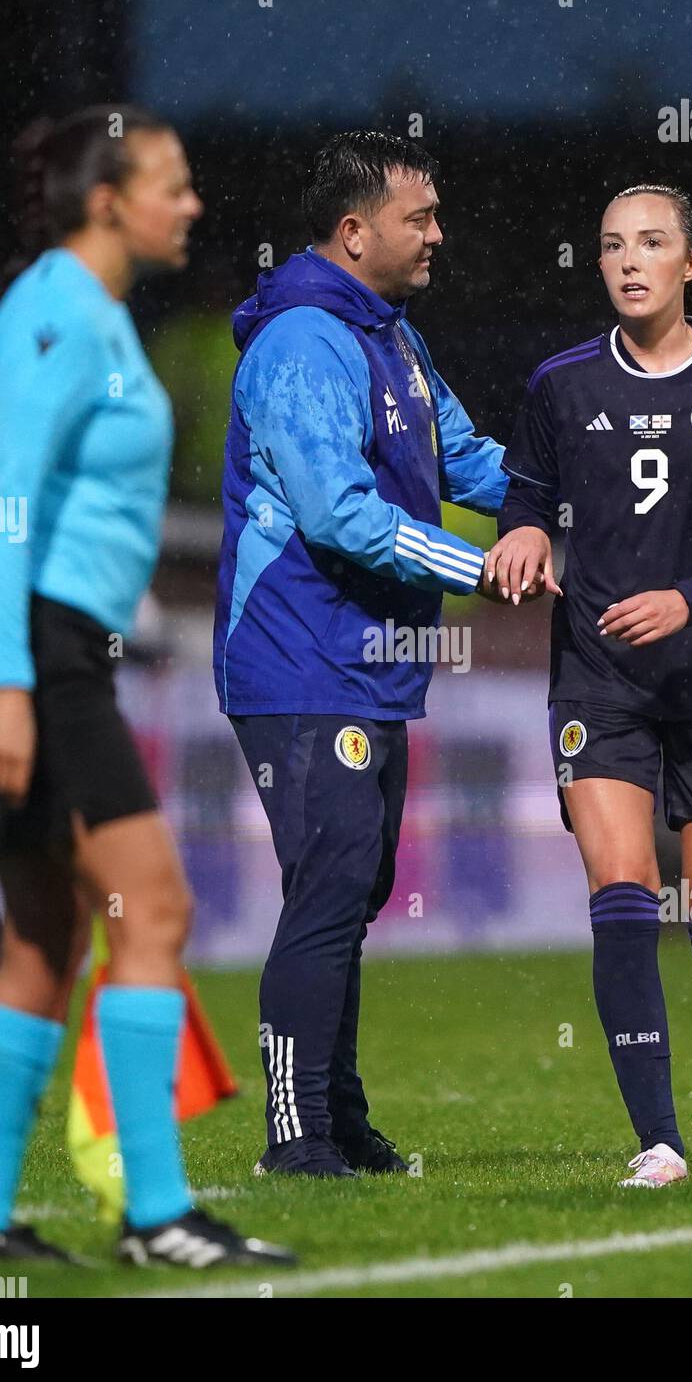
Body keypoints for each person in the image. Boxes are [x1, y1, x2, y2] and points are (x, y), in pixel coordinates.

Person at [0, 105, 293, 1267]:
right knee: (156, 908)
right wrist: (8, 687)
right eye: (171, 184)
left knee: (45, 935)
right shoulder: (56, 313)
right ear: (106, 200)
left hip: (44, 648)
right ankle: (157, 1213)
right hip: (25, 647)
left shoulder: (91, 314)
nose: (191, 204)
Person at [214, 131, 514, 1177]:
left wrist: (579, 491)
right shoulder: (303, 339)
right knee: (333, 885)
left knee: (355, 884)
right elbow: (338, 514)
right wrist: (482, 567)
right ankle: (295, 1139)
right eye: (418, 219)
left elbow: (468, 459)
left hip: (366, 661)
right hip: (296, 660)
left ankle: (336, 1118)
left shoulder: (390, 335)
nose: (438, 234)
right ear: (354, 233)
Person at [487, 184, 692, 1187]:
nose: (629, 260)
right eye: (613, 244)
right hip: (600, 677)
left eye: (652, 243)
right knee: (621, 895)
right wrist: (524, 531)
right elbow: (526, 494)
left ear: (691, 264)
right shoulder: (560, 384)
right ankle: (658, 1139)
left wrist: (688, 601)